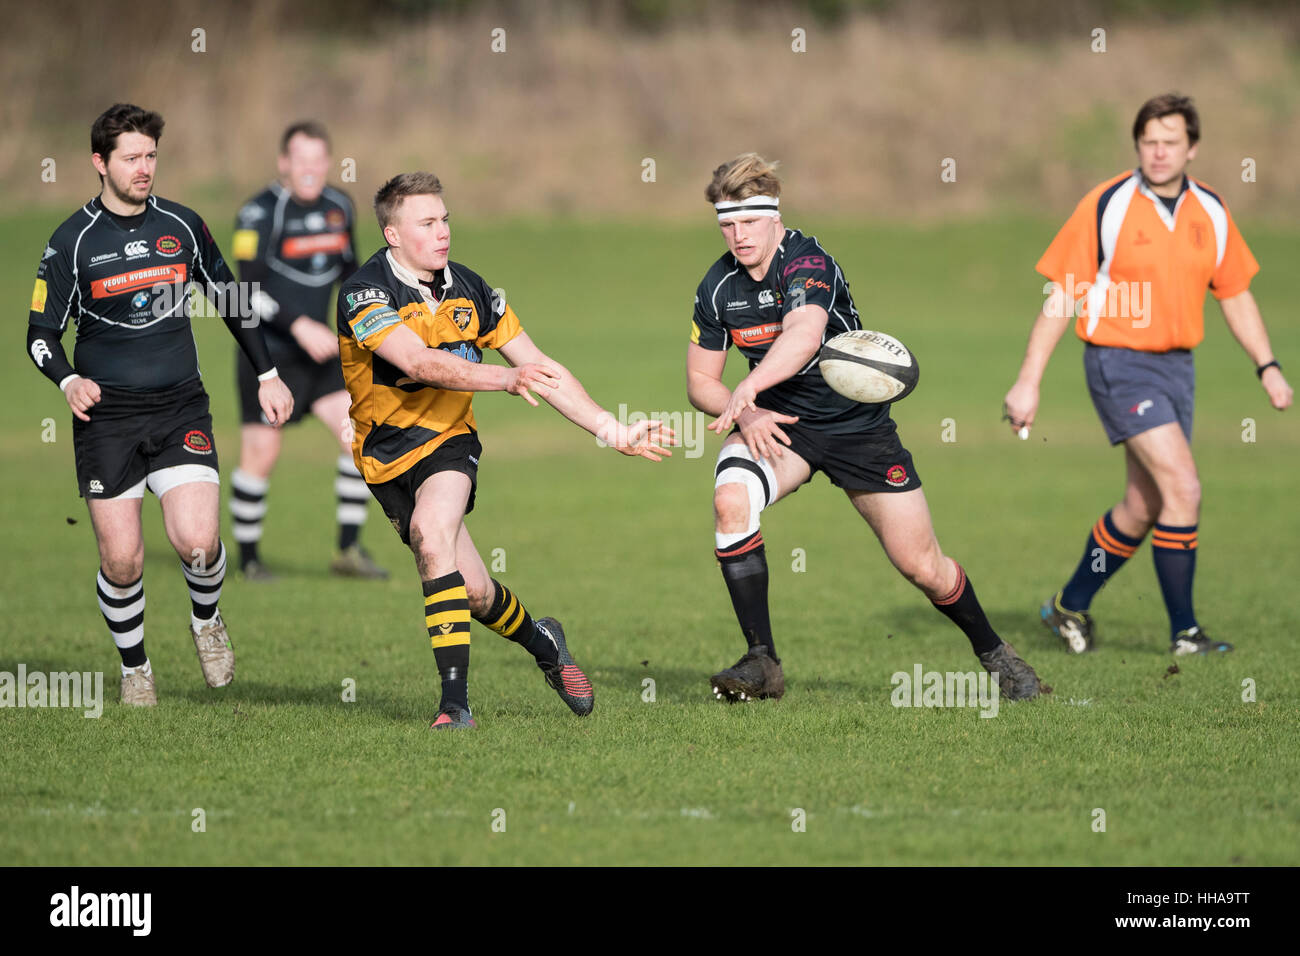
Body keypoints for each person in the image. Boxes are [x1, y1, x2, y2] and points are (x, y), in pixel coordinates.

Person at [687, 153, 1044, 703]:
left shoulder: (807, 262)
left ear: (774, 217)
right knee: (731, 499)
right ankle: (762, 661)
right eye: (727, 224)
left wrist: (749, 387)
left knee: (921, 566)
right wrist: (749, 410)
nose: (738, 236)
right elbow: (699, 381)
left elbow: (804, 335)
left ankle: (997, 654)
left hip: (859, 427)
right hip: (783, 425)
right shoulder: (717, 287)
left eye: (749, 222)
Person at [337, 171, 675, 730]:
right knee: (470, 590)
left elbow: (539, 367)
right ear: (393, 235)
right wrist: (503, 379)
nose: (443, 231)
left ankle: (455, 707)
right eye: (427, 223)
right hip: (382, 455)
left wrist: (609, 428)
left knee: (429, 533)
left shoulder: (471, 288)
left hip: (447, 443)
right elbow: (418, 363)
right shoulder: (364, 291)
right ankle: (545, 643)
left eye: (445, 218)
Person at [1004, 93, 1292, 656]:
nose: (1158, 153)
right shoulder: (1108, 203)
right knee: (1184, 487)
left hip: (1177, 368)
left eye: (1170, 142)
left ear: (1192, 147)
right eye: (1149, 142)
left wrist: (1268, 366)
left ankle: (1069, 606)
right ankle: (1185, 632)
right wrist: (1028, 380)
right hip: (1119, 363)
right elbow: (1064, 295)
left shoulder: (1210, 209)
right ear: (1138, 145)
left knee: (1145, 505)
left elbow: (1234, 294)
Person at [25, 103, 293, 706]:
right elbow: (38, 334)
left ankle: (206, 622)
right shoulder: (72, 242)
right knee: (122, 561)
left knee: (197, 542)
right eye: (131, 158)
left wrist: (268, 373)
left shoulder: (183, 225)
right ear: (100, 162)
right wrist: (68, 382)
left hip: (179, 408)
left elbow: (232, 298)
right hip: (106, 419)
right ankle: (136, 669)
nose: (144, 168)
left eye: (150, 156)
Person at [229, 121, 386, 580]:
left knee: (356, 438)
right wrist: (299, 326)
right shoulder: (257, 213)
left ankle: (348, 551)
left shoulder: (339, 206)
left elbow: (352, 274)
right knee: (262, 454)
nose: (311, 170)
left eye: (319, 160)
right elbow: (247, 290)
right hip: (269, 354)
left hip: (322, 353)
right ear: (284, 164)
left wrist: (376, 316)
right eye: (301, 161)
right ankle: (250, 561)